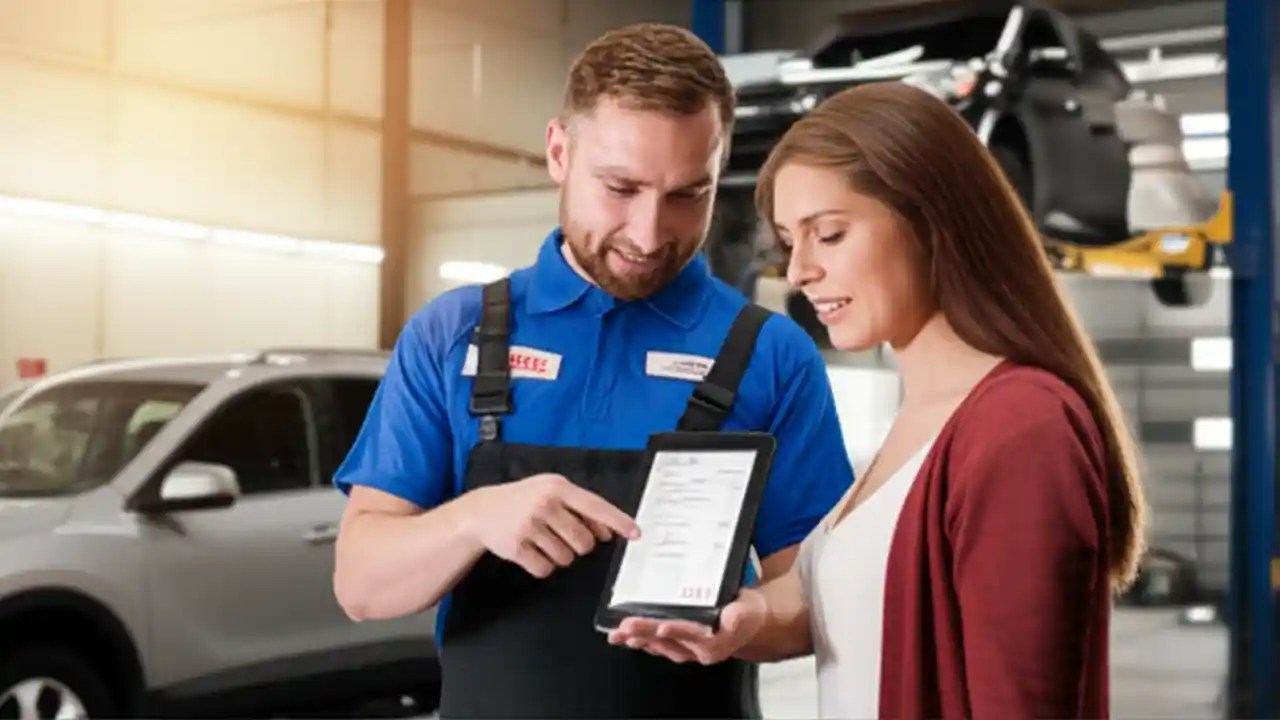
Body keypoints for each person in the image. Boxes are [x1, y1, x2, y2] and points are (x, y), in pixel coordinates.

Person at [330, 22, 856, 720]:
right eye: (620, 187)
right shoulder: (452, 335)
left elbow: (819, 601)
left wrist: (751, 619)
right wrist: (472, 520)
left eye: (686, 196)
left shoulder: (771, 354)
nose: (647, 233)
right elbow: (362, 585)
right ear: (558, 151)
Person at [607, 81, 1149, 719]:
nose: (800, 269)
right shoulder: (925, 420)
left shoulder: (1020, 429)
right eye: (790, 241)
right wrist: (747, 616)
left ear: (930, 221)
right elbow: (843, 596)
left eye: (829, 234)